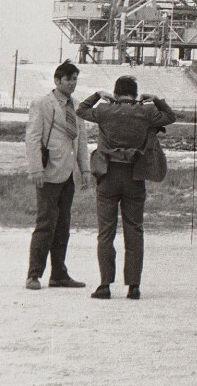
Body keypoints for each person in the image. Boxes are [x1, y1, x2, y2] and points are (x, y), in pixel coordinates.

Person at [75, 75, 174, 299]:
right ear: (135, 92)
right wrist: (156, 100)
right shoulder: (146, 112)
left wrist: (98, 95)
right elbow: (170, 117)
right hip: (134, 175)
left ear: (116, 93)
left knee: (105, 232)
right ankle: (134, 286)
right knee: (134, 231)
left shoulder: (105, 111)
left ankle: (104, 285)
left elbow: (81, 110)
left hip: (108, 175)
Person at [24, 61, 91, 290]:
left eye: (75, 80)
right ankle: (34, 275)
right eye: (69, 79)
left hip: (69, 175)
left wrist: (86, 170)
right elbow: (33, 138)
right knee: (45, 224)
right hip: (48, 172)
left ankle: (59, 274)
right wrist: (36, 169)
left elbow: (81, 140)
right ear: (57, 80)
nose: (72, 84)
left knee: (63, 225)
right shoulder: (43, 104)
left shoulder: (77, 106)